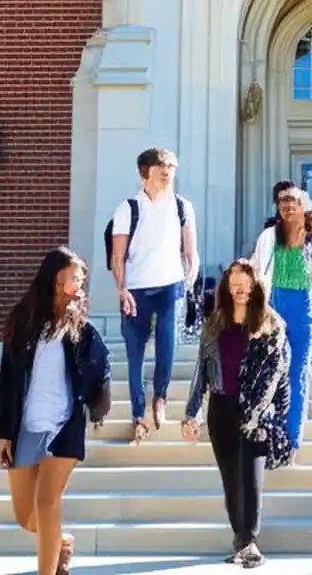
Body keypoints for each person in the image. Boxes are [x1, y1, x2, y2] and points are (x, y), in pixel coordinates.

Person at [0, 247, 112, 575]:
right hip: (26, 425)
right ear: (55, 277)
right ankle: (60, 541)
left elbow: (102, 369)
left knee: (47, 504)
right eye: (74, 274)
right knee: (27, 517)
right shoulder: (24, 321)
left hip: (64, 426)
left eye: (82, 277)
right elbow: (8, 379)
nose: (80, 280)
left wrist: (96, 407)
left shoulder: (82, 329)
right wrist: (2, 432)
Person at [183, 259, 293, 568]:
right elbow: (201, 370)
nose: (240, 291)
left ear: (257, 286)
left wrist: (265, 414)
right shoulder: (214, 322)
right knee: (231, 478)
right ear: (227, 288)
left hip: (255, 412)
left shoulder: (272, 325)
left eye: (245, 285)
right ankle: (240, 539)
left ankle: (250, 541)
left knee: (251, 477)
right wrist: (191, 413)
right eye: (234, 286)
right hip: (221, 409)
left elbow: (278, 375)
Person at [109, 147, 199, 444]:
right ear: (144, 172)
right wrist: (122, 290)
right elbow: (118, 257)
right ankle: (138, 414)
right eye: (161, 167)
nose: (167, 172)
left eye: (171, 167)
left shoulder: (182, 206)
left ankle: (160, 398)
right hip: (136, 289)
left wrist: (190, 275)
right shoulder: (128, 209)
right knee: (135, 353)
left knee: (166, 344)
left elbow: (190, 251)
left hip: (170, 285)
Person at [250, 186, 312, 449]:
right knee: (270, 373)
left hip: (303, 316)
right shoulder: (268, 237)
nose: (287, 207)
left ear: (304, 208)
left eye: (293, 202)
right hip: (272, 313)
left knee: (297, 376)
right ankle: (268, 434)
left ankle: (292, 440)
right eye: (283, 202)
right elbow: (255, 272)